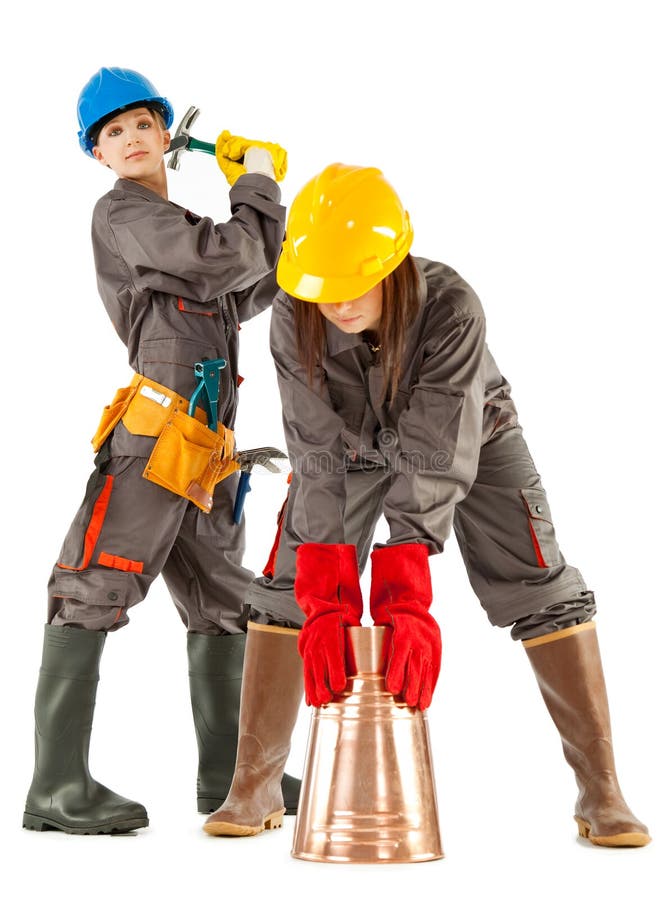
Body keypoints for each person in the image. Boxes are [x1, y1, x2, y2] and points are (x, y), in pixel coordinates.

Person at [203, 162, 650, 849]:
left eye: (354, 286)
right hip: (344, 450)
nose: (338, 306)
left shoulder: (451, 306)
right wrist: (326, 584)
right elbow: (312, 444)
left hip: (473, 433)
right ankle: (253, 786)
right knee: (289, 584)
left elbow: (435, 449)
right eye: (324, 291)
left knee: (538, 583)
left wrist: (404, 587)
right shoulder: (295, 307)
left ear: (390, 262)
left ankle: (601, 791)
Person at [22, 66, 300, 835]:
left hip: (208, 449)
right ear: (97, 154)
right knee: (92, 587)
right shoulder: (123, 215)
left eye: (142, 124)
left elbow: (254, 278)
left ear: (165, 135)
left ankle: (233, 778)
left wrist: (261, 188)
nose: (131, 139)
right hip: (155, 439)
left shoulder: (179, 231)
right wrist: (254, 190)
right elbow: (225, 257)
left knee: (223, 604)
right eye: (113, 133)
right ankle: (55, 789)